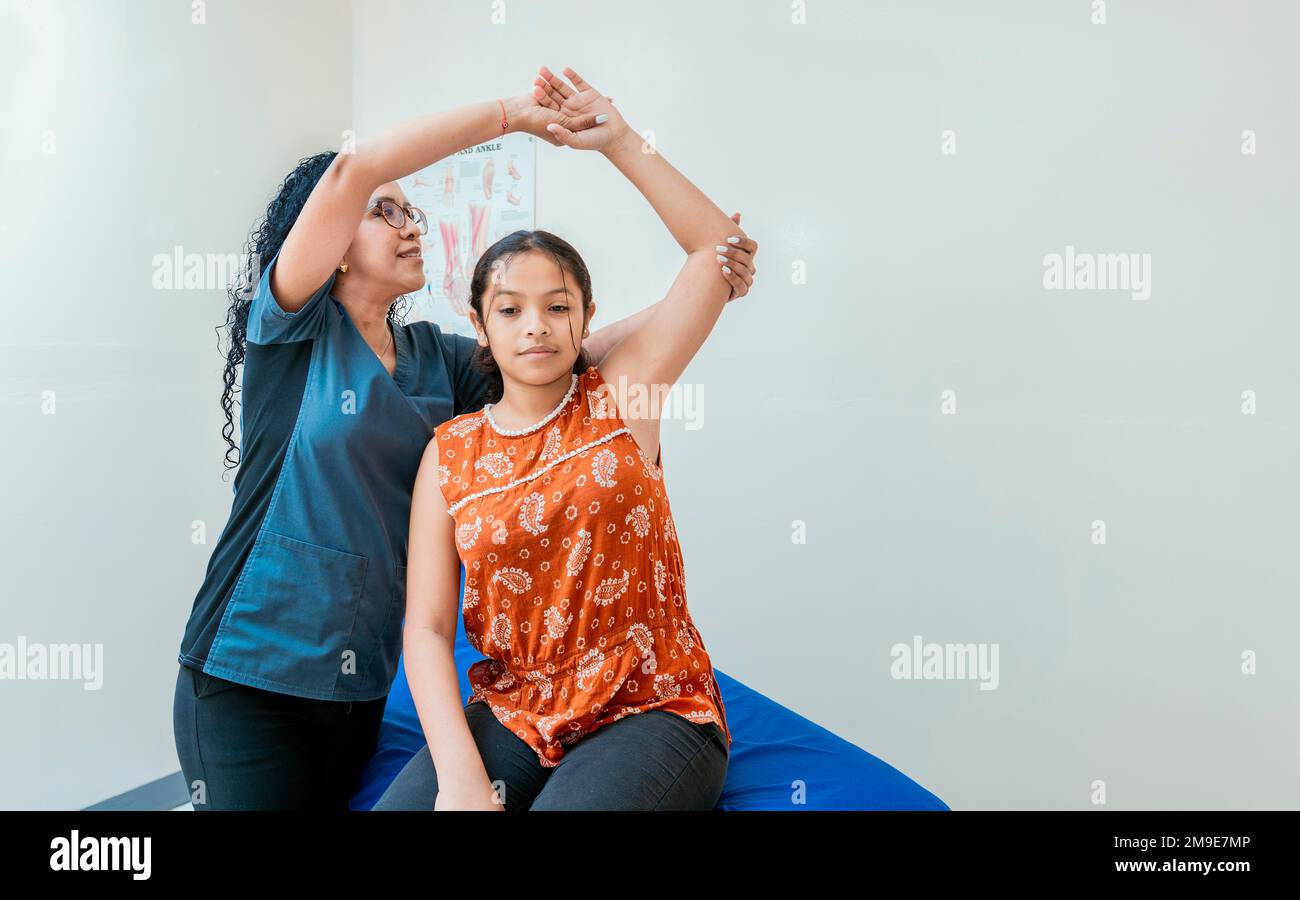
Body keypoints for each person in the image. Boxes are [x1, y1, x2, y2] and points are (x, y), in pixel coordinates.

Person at [172, 70, 761, 811]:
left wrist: (699, 293)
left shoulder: (438, 359)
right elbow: (358, 169)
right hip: (249, 676)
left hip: (355, 683)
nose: (410, 223)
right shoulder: (293, 333)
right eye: (385, 212)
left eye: (412, 212)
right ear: (336, 242)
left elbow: (548, 355)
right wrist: (512, 114)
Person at [372, 67, 758, 811]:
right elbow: (423, 628)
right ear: (480, 327)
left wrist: (617, 138)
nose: (536, 326)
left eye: (557, 306)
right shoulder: (449, 453)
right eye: (510, 310)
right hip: (516, 709)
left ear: (585, 318)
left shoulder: (624, 398)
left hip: (652, 704)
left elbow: (718, 248)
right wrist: (458, 778)